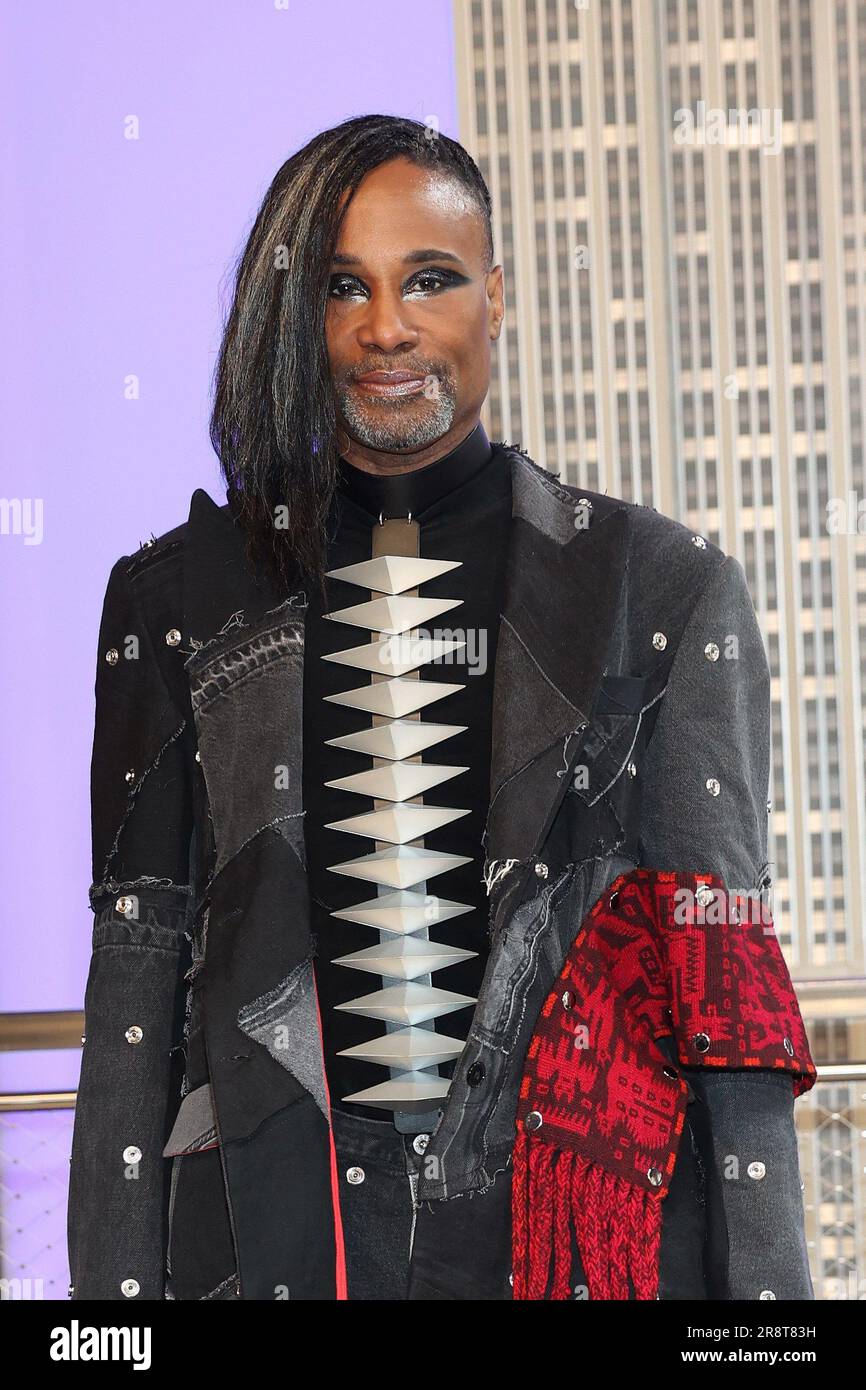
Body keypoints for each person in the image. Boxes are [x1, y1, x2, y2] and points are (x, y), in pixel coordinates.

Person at [68, 114, 816, 1302]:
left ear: (496, 296)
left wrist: (769, 1321)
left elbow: (725, 1007)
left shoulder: (661, 591)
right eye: (341, 287)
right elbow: (136, 985)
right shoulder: (174, 599)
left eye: (428, 278)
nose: (386, 328)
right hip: (272, 1253)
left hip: (573, 1259)